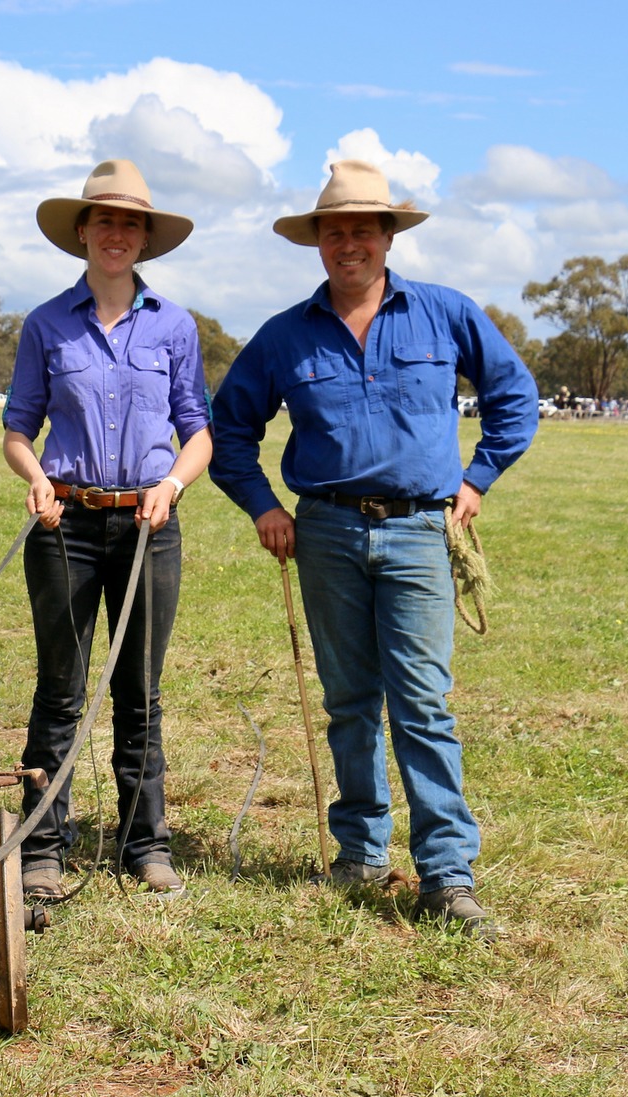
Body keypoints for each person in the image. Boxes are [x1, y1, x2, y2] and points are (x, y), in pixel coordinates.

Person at [207, 160, 538, 933]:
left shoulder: (445, 314)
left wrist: (479, 476)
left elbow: (515, 397)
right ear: (317, 243)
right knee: (350, 702)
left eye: (362, 229)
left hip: (423, 529)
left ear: (388, 237)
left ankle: (447, 876)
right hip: (323, 531)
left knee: (421, 701)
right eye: (333, 232)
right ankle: (358, 852)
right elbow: (229, 431)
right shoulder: (284, 336)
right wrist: (263, 505)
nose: (347, 243)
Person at [1, 159, 214, 899]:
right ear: (83, 232)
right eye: (104, 220)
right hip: (65, 526)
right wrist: (34, 478)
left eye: (130, 223)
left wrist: (173, 484)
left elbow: (199, 431)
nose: (116, 234)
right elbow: (18, 429)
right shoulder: (47, 325)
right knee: (60, 690)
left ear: (144, 238)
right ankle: (41, 849)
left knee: (139, 691)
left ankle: (144, 844)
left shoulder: (175, 326)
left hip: (149, 527)